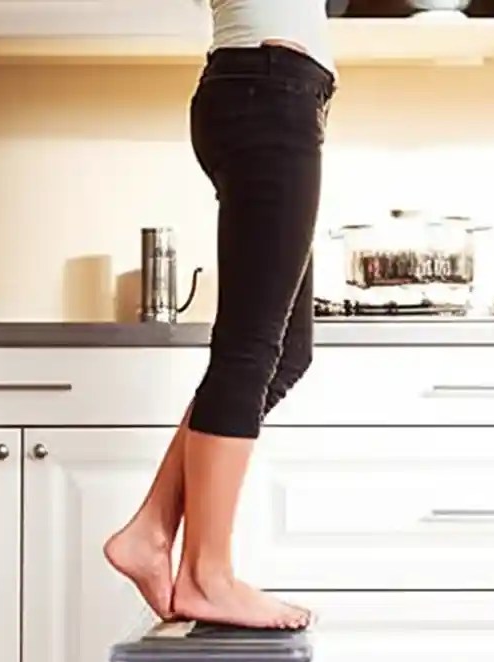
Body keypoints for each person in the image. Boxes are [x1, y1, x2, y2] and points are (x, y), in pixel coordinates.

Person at [104, 0, 336, 630]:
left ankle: (153, 529)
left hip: (271, 91)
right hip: (271, 91)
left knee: (284, 354)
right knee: (251, 348)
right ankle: (207, 574)